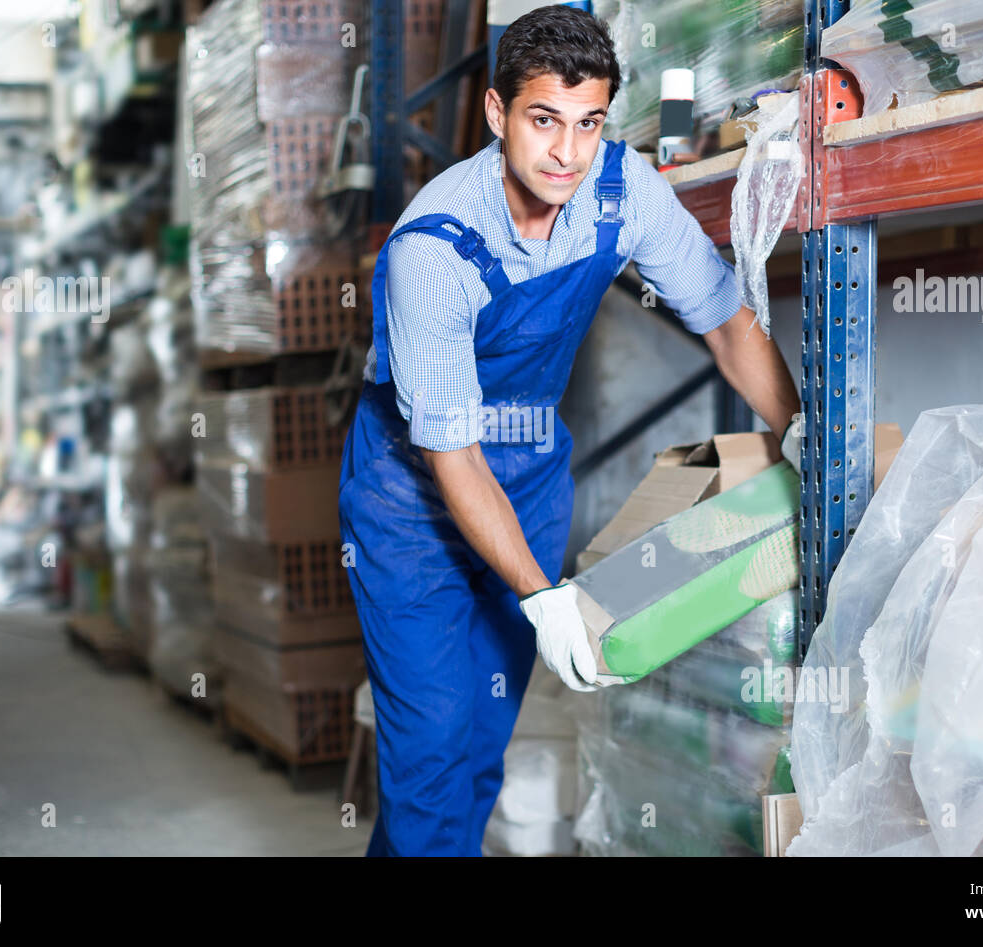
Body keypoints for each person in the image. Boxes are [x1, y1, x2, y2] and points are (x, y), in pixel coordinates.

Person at [338, 4, 801, 857]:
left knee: (477, 752)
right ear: (495, 114)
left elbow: (728, 324)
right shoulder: (434, 248)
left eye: (589, 124)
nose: (567, 153)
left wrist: (803, 429)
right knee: (433, 752)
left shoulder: (625, 192)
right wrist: (541, 596)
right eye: (544, 120)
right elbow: (451, 452)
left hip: (528, 472)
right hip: (413, 494)